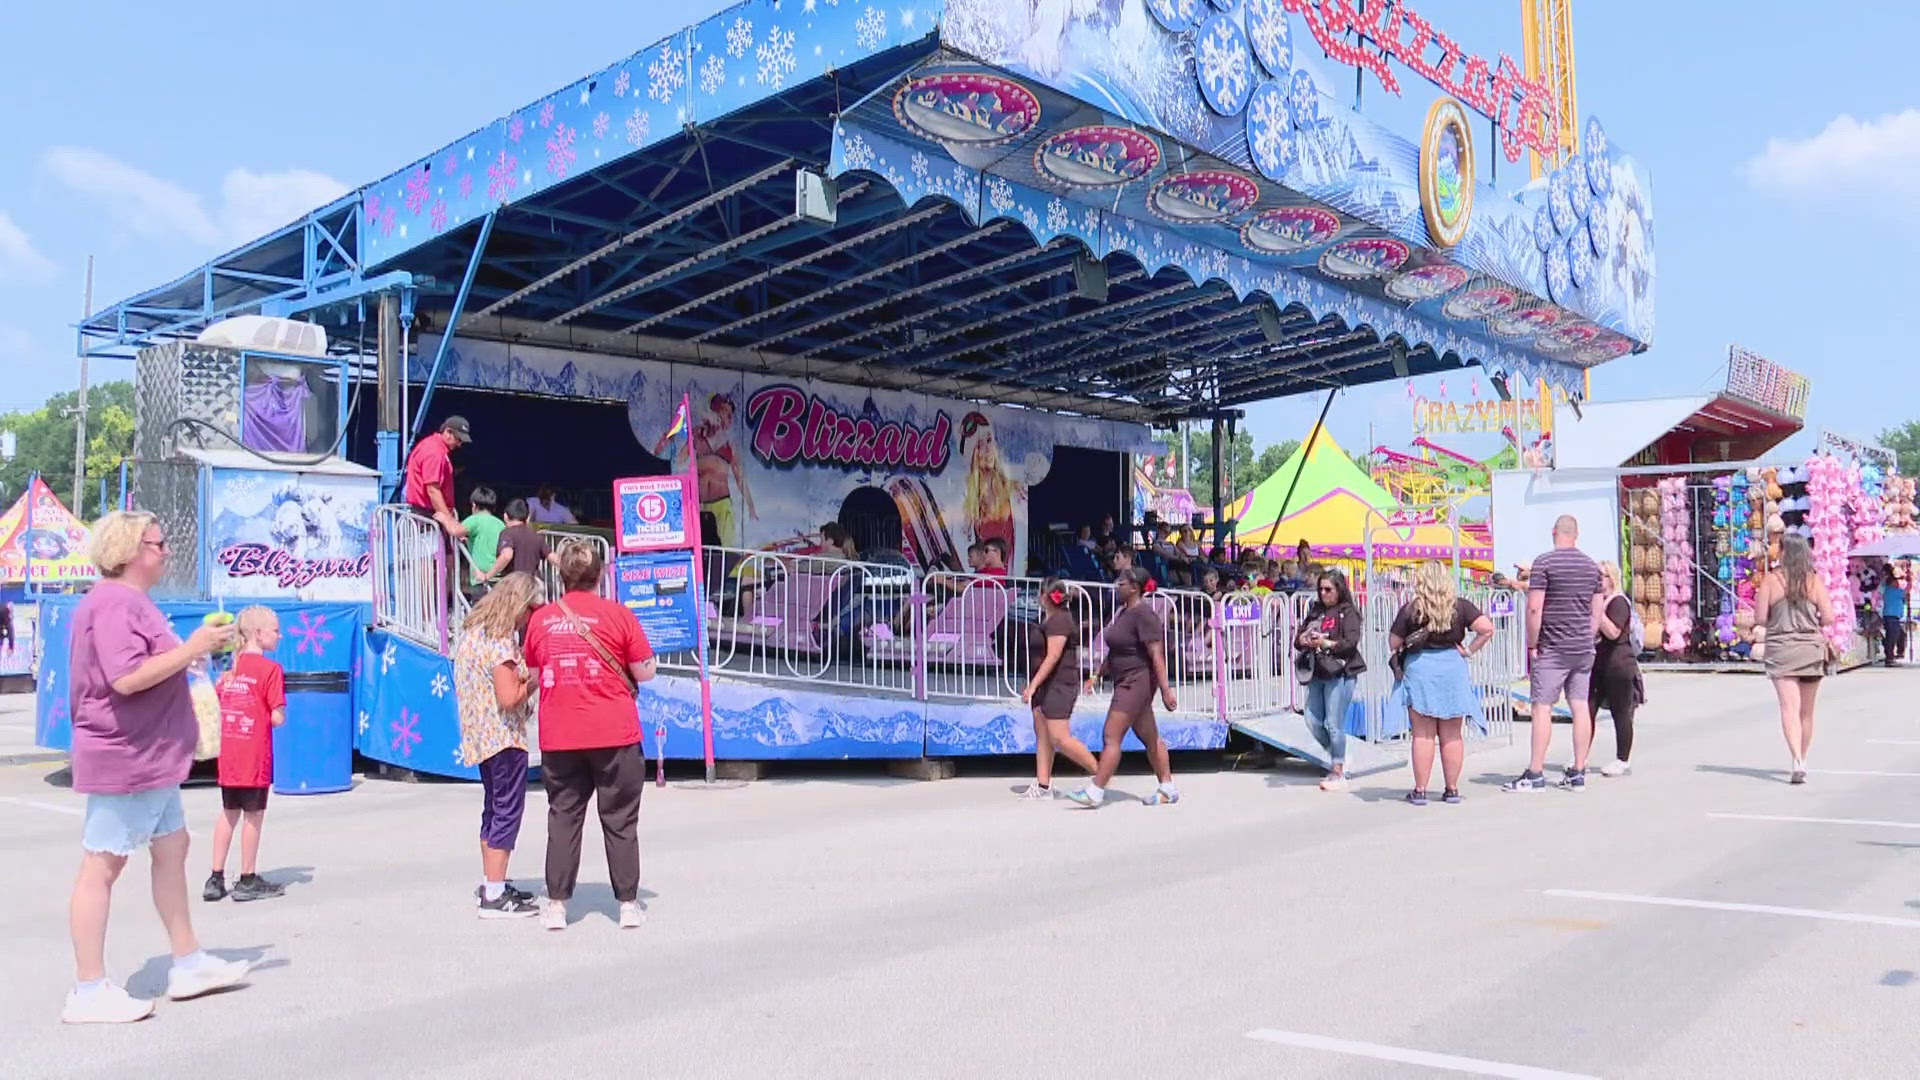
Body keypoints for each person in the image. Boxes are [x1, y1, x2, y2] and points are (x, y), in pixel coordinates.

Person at [62, 511, 251, 1023]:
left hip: (150, 755)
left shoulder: (127, 602)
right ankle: (87, 987)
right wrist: (191, 648)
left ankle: (187, 961)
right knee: (102, 866)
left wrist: (199, 649)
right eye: (159, 542)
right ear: (130, 550)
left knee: (172, 847)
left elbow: (153, 667)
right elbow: (125, 678)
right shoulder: (115, 603)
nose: (167, 551)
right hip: (127, 754)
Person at [523, 540, 658, 930]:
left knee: (563, 817)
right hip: (615, 732)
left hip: (560, 734)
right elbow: (644, 669)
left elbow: (532, 674)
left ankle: (557, 906)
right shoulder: (619, 615)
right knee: (620, 819)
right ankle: (628, 904)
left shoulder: (542, 620)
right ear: (600, 575)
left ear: (561, 576)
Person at [453, 573, 543, 919]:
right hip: (504, 737)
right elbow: (508, 698)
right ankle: (494, 893)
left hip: (479, 736)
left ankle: (493, 882)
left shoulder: (472, 635)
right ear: (519, 605)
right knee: (507, 811)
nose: (530, 617)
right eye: (530, 609)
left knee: (492, 809)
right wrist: (533, 679)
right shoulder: (500, 642)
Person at [1504, 515, 1604, 792]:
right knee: (1580, 705)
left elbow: (1535, 609)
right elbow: (1597, 612)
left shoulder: (1544, 563)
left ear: (1553, 533)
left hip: (1553, 647)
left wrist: (1532, 644)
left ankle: (1535, 772)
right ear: (1577, 534)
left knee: (1542, 707)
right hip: (1583, 648)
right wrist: (1588, 637)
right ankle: (1578, 771)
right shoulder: (1592, 567)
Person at [1066, 567, 1179, 808]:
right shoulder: (1123, 612)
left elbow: (1157, 655)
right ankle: (1168, 788)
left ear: (1134, 588)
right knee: (1150, 737)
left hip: (1136, 682)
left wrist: (1166, 690)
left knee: (1111, 734)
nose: (1117, 586)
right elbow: (1116, 649)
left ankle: (1095, 791)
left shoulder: (1144, 615)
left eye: (1121, 583)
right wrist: (1096, 675)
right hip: (1124, 680)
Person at [202, 606, 288, 904]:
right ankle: (248, 878)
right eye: (275, 630)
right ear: (258, 634)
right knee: (253, 816)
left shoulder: (229, 670)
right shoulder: (271, 670)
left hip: (229, 754)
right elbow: (277, 717)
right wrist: (272, 713)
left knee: (228, 813)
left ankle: (215, 876)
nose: (280, 635)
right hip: (254, 757)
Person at [1392, 561, 1495, 805]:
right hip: (1452, 668)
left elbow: (1393, 643)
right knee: (1451, 733)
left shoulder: (1411, 609)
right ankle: (1452, 789)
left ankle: (1420, 790)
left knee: (1423, 734)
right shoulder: (1460, 607)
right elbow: (1487, 629)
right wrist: (1469, 650)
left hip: (1420, 670)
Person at [1752, 534, 1835, 784]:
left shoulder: (1771, 581)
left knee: (1789, 707)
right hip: (1811, 649)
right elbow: (1829, 617)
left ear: (1786, 553)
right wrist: (1812, 621)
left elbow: (1760, 618)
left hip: (1782, 649)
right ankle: (1804, 758)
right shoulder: (1813, 581)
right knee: (1807, 712)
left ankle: (1796, 758)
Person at [1019, 579, 1099, 799]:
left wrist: (1033, 684)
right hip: (1043, 683)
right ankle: (1043, 785)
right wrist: (1032, 681)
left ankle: (1100, 776)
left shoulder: (1061, 621)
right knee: (1042, 734)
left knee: (1059, 737)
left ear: (1046, 596)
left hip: (1059, 683)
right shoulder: (1047, 619)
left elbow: (1053, 656)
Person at [1296, 570, 1365, 792]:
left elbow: (1351, 642)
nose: (1324, 593)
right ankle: (1339, 756)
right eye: (1321, 589)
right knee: (1312, 720)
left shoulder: (1348, 612)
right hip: (1317, 670)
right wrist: (1304, 639)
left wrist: (1327, 644)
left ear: (1339, 590)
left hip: (1340, 671)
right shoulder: (1315, 610)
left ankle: (1337, 769)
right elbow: (1298, 638)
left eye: (1329, 589)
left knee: (1334, 724)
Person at [1590, 561, 1644, 778]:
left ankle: (1623, 759)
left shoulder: (1618, 602)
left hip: (1619, 665)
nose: (1597, 580)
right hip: (1597, 665)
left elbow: (1613, 632)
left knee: (1621, 712)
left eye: (1601, 576)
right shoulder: (1598, 602)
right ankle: (1580, 756)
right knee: (1587, 710)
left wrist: (1598, 613)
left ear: (1611, 579)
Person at [403, 416, 472, 541]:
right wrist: (450, 522)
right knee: (431, 558)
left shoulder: (431, 446)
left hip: (428, 514)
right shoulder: (435, 453)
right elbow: (433, 490)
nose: (459, 444)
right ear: (448, 432)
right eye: (458, 439)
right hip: (427, 516)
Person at [462, 485, 506, 594]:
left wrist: (445, 519)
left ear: (474, 505)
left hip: (480, 578)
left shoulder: (473, 520)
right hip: (499, 577)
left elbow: (456, 531)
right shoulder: (500, 524)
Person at [498, 499, 554, 579]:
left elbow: (506, 555)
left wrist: (489, 575)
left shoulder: (507, 534)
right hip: (533, 583)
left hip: (515, 583)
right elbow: (552, 556)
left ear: (505, 516)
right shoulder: (536, 536)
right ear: (528, 517)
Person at [1882, 562, 1908, 666]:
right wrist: (1909, 582)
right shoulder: (1892, 591)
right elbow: (1905, 595)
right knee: (1892, 637)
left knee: (1894, 636)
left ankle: (1892, 656)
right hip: (1891, 615)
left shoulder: (1891, 590)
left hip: (1893, 616)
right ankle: (1889, 658)